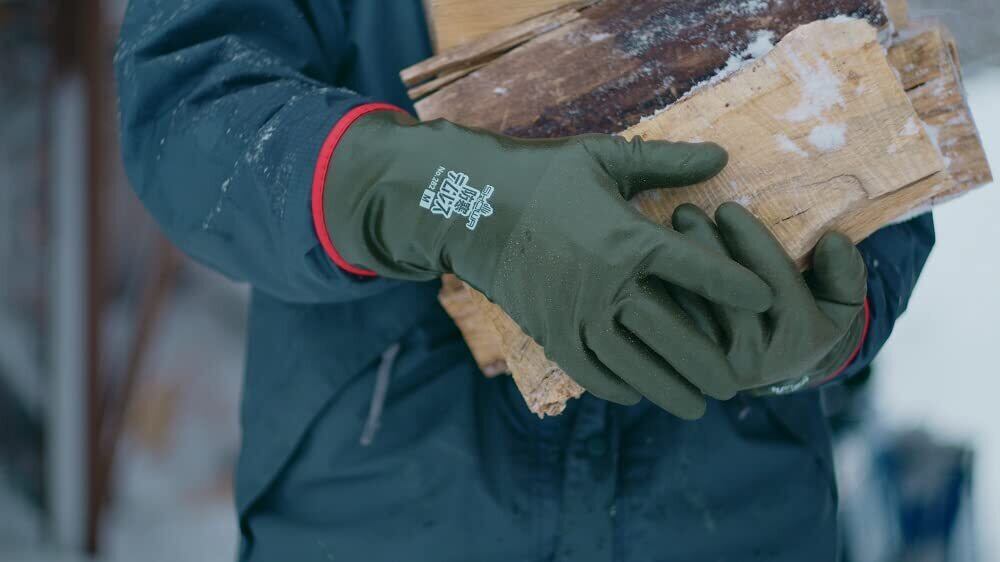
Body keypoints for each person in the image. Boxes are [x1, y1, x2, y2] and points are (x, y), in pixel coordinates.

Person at [114, 1, 935, 560]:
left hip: (732, 505)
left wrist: (841, 314)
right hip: (385, 501)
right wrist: (439, 199)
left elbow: (883, 95)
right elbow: (189, 102)